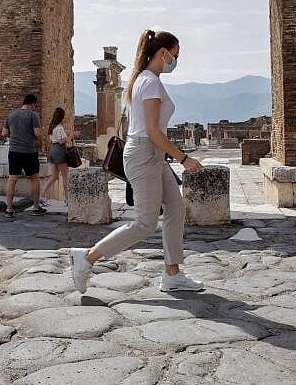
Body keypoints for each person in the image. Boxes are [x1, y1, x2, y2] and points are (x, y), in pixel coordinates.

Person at [69, 29, 205, 292]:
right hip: (145, 152)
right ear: (163, 53)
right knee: (145, 222)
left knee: (175, 206)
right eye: (175, 55)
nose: (175, 61)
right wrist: (184, 158)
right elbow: (153, 131)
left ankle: (172, 274)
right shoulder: (150, 82)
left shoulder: (142, 79)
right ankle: (86, 258)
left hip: (149, 153)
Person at [2, 94, 47, 216]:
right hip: (29, 152)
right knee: (34, 178)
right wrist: (40, 134)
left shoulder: (11, 115)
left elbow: (4, 133)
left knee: (12, 180)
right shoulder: (33, 115)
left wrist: (15, 136)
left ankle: (9, 209)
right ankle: (36, 207)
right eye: (35, 106)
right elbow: (37, 133)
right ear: (33, 104)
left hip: (14, 152)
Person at [40, 106, 74, 206]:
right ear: (61, 117)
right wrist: (71, 136)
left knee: (54, 176)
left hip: (52, 151)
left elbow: (53, 140)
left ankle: (42, 196)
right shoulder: (59, 127)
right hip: (59, 150)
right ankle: (68, 199)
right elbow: (61, 140)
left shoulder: (52, 128)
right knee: (65, 176)